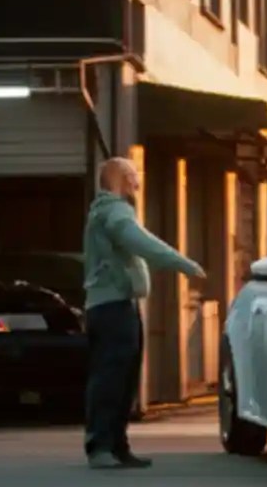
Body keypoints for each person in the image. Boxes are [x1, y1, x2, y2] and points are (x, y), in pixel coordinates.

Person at [84, 157, 206, 469]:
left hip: (116, 304)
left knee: (122, 377)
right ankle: (101, 447)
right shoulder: (115, 211)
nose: (138, 183)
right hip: (113, 307)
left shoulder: (105, 211)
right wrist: (183, 263)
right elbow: (142, 243)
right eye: (134, 176)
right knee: (113, 377)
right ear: (123, 178)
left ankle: (116, 445)